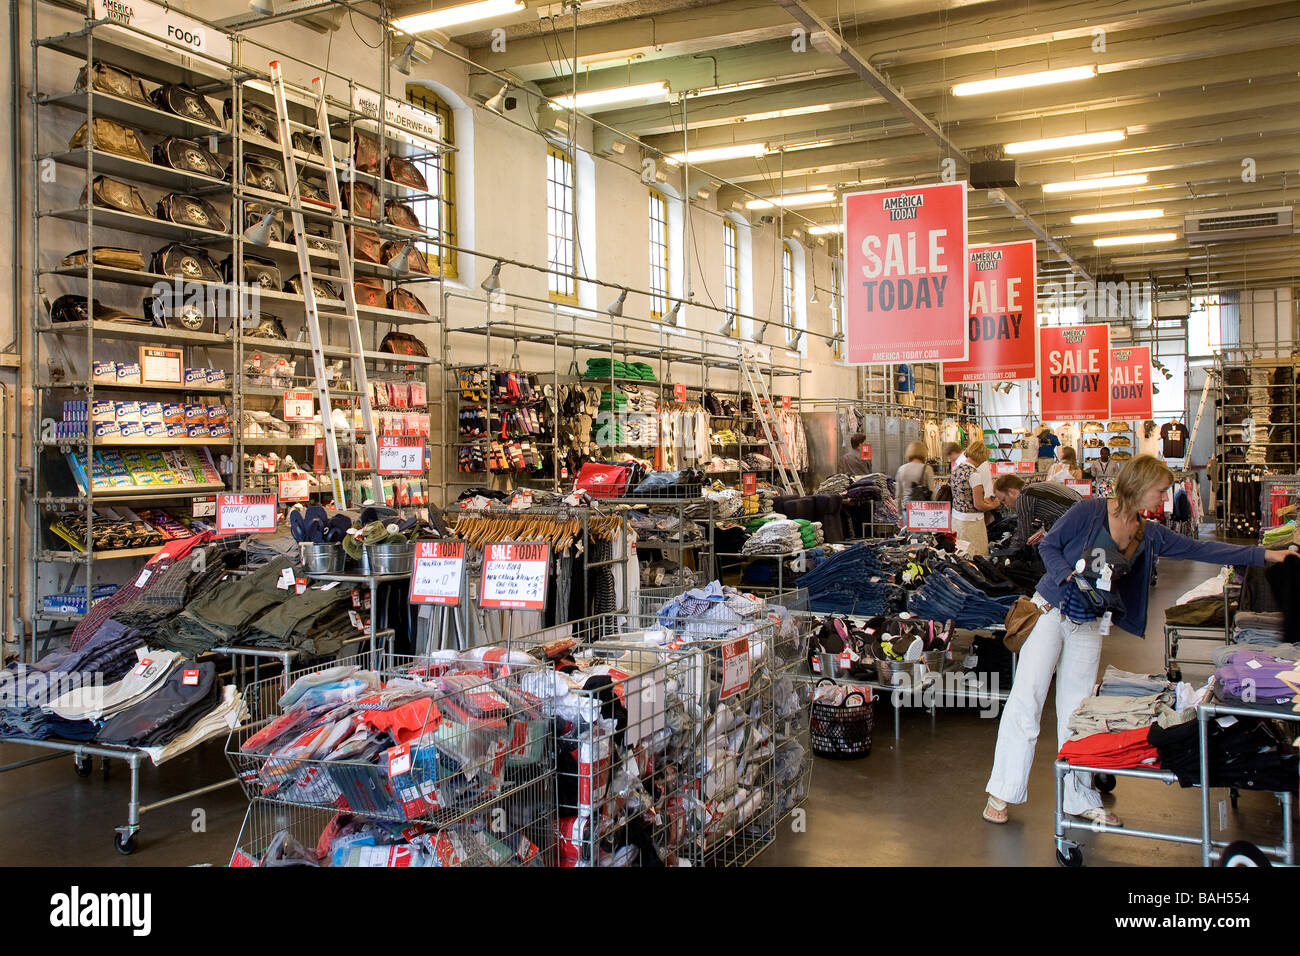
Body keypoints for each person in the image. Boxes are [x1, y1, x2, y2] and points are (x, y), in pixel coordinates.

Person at [982, 455, 1295, 827]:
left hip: (1089, 622)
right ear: (1140, 485)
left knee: (1080, 710)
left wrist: (1268, 554)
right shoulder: (1088, 511)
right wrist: (1067, 577)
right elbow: (1049, 546)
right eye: (1160, 490)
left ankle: (1079, 797)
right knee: (1027, 699)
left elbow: (1202, 550)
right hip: (1050, 610)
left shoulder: (1147, 532)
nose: (1164, 498)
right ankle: (1001, 792)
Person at [993, 475, 1081, 550]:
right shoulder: (1035, 489)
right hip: (1082, 522)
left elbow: (1023, 532)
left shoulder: (1024, 496)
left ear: (1012, 492)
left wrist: (1009, 553)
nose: (1006, 505)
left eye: (1004, 500)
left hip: (1076, 527)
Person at [950, 438, 998, 555]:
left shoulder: (956, 469)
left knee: (960, 553)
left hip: (956, 519)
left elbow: (964, 496)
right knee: (975, 554)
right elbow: (978, 505)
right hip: (971, 523)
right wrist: (993, 505)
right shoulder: (974, 475)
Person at [894, 441, 935, 519]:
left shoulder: (902, 469)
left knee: (908, 530)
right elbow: (932, 492)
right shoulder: (927, 469)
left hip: (907, 510)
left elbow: (898, 496)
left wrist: (900, 515)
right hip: (924, 510)